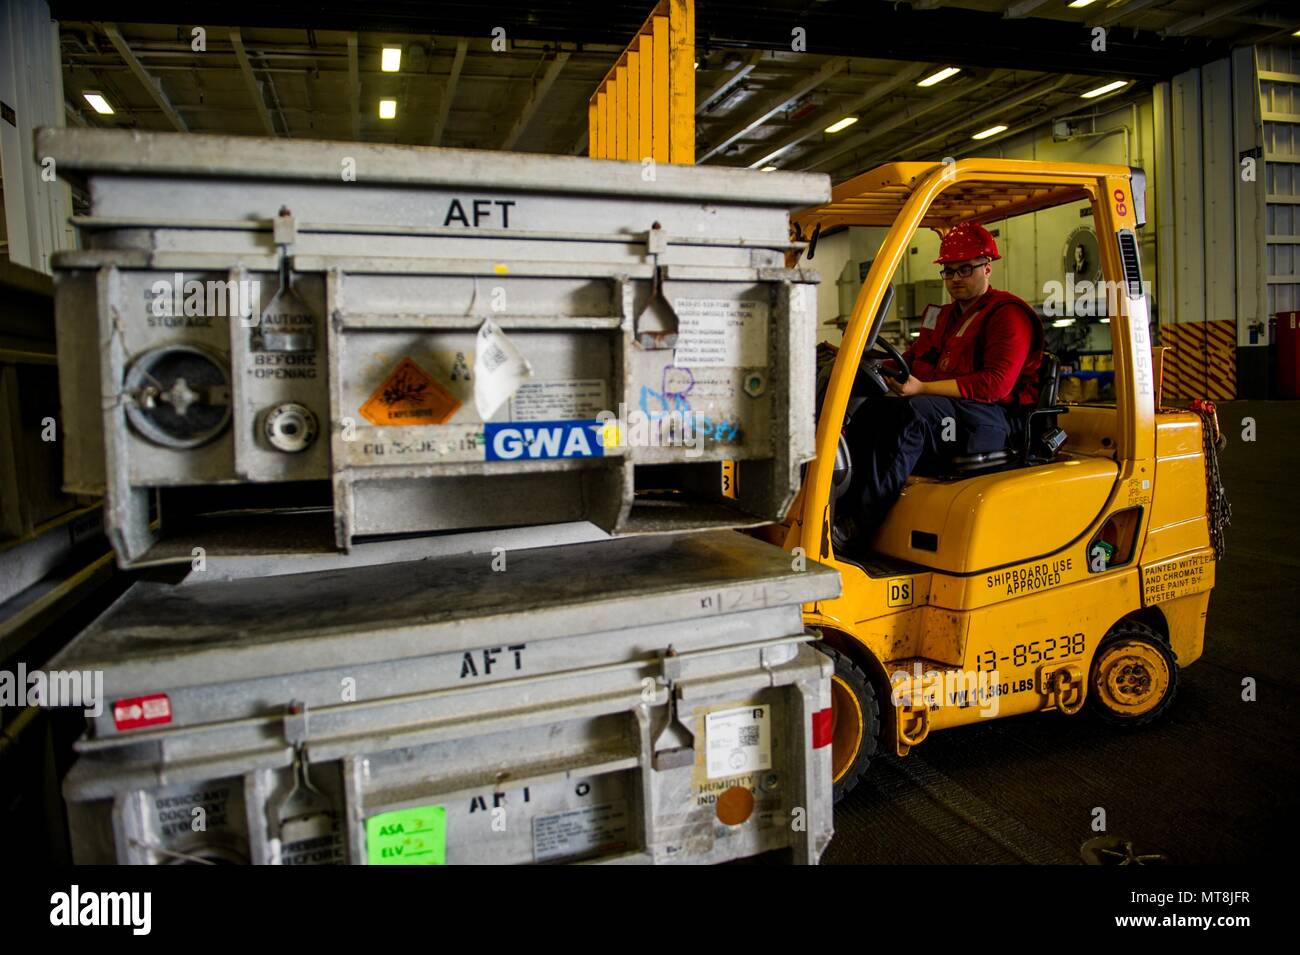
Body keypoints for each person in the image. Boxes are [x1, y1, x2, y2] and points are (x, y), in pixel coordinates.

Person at [840, 221, 1044, 540]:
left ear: (987, 268)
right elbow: (912, 359)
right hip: (951, 414)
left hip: (992, 423)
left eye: (965, 270)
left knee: (914, 415)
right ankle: (840, 504)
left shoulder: (1007, 315)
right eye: (949, 272)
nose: (956, 279)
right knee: (870, 411)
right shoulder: (944, 316)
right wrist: (859, 362)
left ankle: (858, 525)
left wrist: (921, 388)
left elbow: (995, 385)